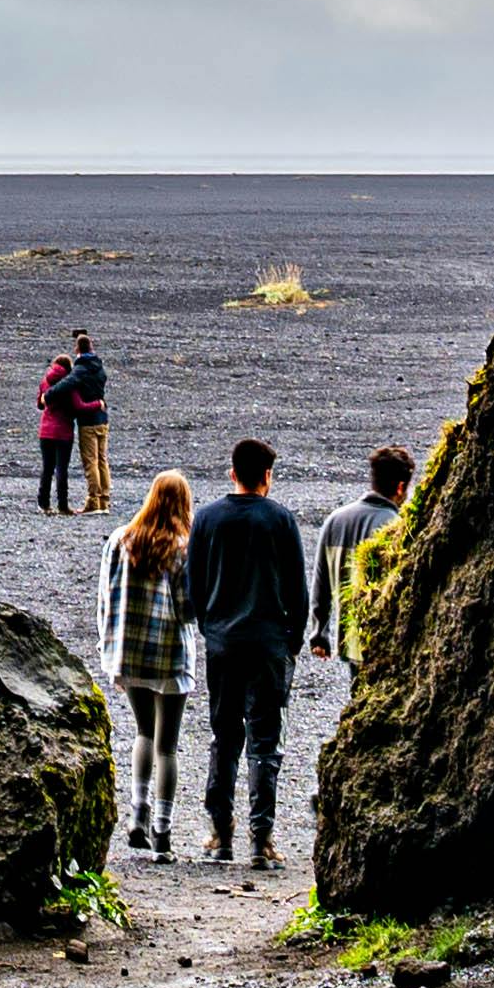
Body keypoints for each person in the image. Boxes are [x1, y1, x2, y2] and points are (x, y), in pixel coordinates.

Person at [181, 432, 308, 872]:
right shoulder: (280, 520)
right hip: (269, 643)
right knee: (265, 742)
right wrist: (291, 640)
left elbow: (193, 585)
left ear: (233, 472)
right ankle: (262, 838)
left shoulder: (208, 519)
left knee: (226, 737)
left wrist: (210, 628)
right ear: (266, 477)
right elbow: (298, 588)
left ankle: (221, 834)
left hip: (223, 644)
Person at [99, 470, 194, 855]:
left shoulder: (120, 540)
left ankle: (137, 814)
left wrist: (108, 647)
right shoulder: (182, 548)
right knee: (167, 746)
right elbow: (187, 611)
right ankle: (163, 833)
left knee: (143, 732)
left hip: (129, 653)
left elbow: (105, 596)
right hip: (169, 655)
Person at [311, 440, 414, 664]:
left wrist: (319, 634)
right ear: (400, 487)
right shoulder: (396, 527)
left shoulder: (335, 520)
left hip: (350, 643)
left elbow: (321, 584)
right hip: (386, 647)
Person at [34, 344, 79, 513]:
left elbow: (39, 404)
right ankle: (62, 505)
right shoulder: (69, 383)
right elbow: (76, 405)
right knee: (62, 469)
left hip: (45, 430)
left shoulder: (45, 380)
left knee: (47, 468)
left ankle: (43, 503)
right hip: (63, 432)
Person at [71, 330, 112, 511]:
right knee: (102, 460)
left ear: (77, 349)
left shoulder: (80, 369)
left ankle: (93, 500)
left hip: (88, 421)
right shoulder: (99, 368)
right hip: (102, 419)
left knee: (91, 461)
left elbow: (68, 384)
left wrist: (48, 395)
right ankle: (104, 500)